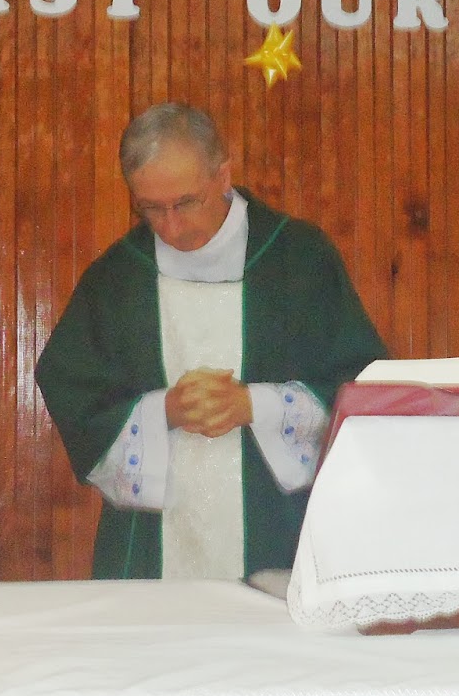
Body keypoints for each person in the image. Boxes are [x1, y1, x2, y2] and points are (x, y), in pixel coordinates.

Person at [36, 103, 386, 581]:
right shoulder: (117, 278)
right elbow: (75, 389)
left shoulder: (298, 259)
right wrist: (164, 412)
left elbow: (362, 383)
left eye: (185, 203)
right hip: (154, 545)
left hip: (277, 530)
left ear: (222, 176)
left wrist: (258, 405)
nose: (171, 227)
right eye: (151, 209)